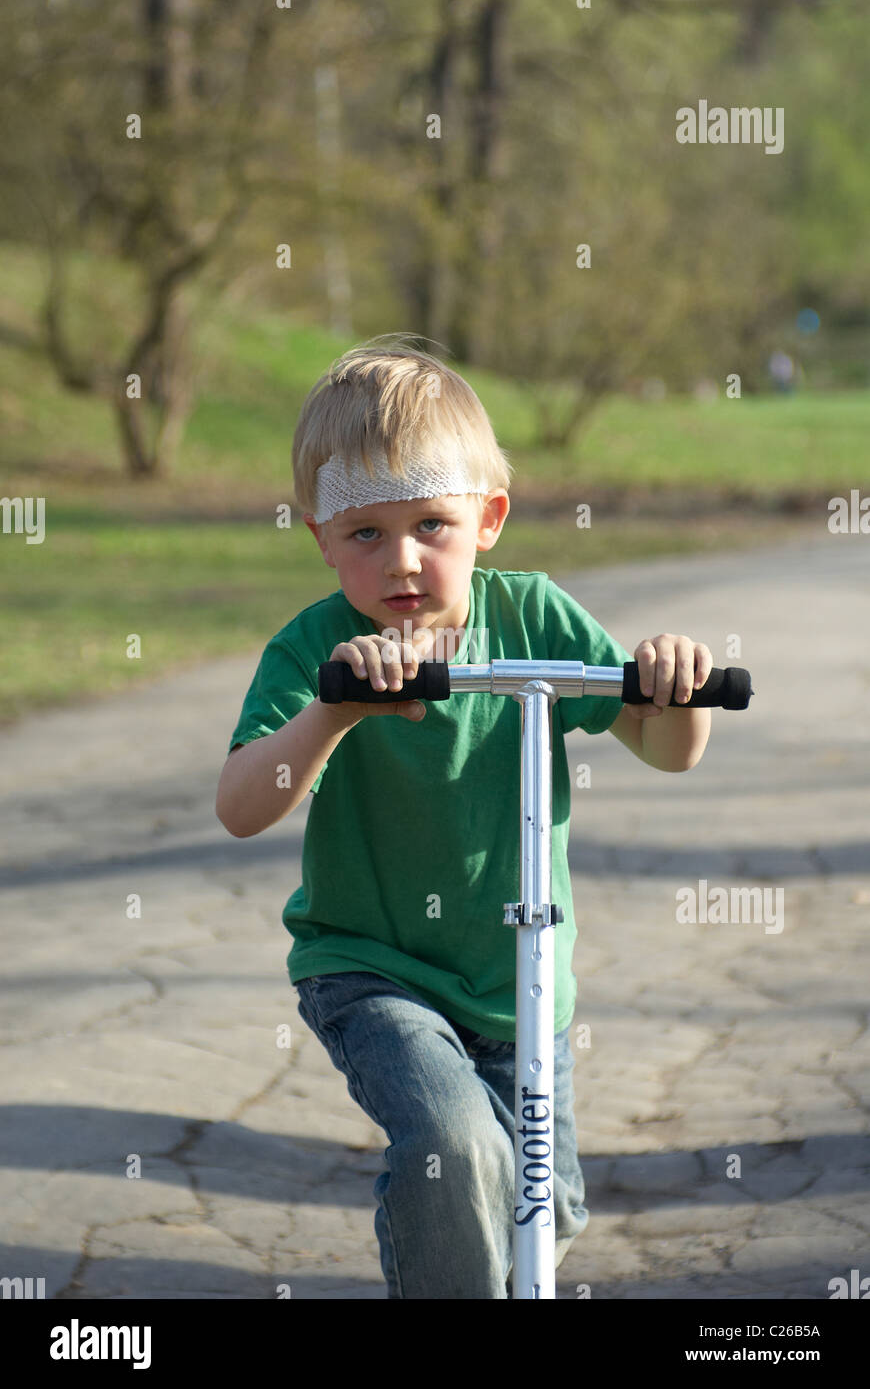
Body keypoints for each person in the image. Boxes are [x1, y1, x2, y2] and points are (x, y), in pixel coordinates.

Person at [215, 336, 713, 1298]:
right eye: (364, 534)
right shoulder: (317, 647)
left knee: (541, 1214)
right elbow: (243, 808)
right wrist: (336, 712)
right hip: (374, 971)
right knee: (456, 1149)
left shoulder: (535, 620)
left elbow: (670, 747)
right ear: (320, 536)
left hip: (521, 987)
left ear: (487, 521)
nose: (401, 561)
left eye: (431, 526)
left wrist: (675, 686)